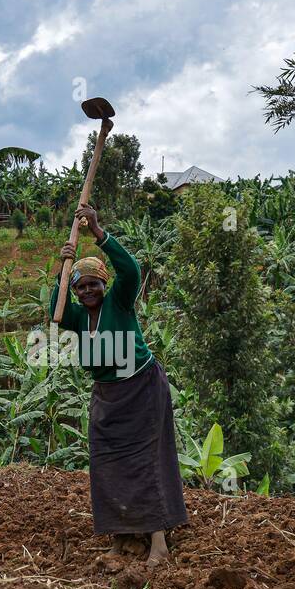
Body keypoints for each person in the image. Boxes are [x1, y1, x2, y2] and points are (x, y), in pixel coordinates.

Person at [50, 203, 188, 563]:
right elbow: (56, 310)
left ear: (104, 284)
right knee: (106, 465)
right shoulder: (79, 317)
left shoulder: (120, 301)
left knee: (145, 460)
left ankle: (158, 541)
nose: (87, 292)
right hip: (107, 398)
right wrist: (61, 272)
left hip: (141, 388)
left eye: (93, 284)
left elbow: (131, 269)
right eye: (81, 287)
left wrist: (98, 231)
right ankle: (122, 536)